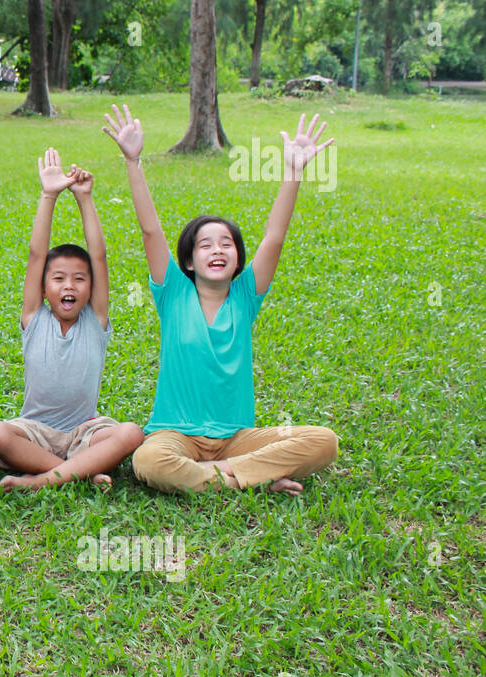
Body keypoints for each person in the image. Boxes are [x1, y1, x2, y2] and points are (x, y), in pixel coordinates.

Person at [104, 105, 339, 495]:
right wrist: (133, 161)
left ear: (237, 259)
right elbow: (150, 230)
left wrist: (294, 172)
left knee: (324, 440)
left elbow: (275, 237)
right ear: (189, 262)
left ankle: (224, 473)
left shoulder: (245, 295)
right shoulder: (174, 292)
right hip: (175, 435)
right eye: (205, 245)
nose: (217, 250)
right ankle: (250, 479)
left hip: (237, 438)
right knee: (147, 461)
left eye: (226, 244)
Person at [0, 149, 144, 490]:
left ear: (91, 287)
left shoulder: (95, 319)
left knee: (131, 432)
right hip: (35, 433)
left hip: (86, 432)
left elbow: (98, 256)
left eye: (79, 279)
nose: (69, 285)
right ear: (42, 287)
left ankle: (42, 479)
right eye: (58, 278)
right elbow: (36, 254)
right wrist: (49, 195)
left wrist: (84, 198)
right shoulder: (34, 317)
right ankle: (79, 473)